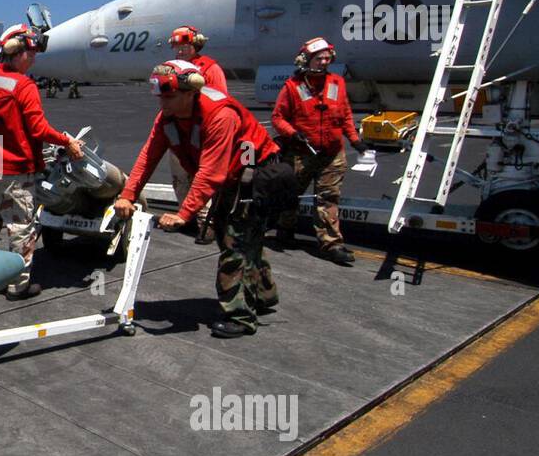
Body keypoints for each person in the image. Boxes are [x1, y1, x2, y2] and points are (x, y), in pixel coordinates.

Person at [112, 60, 293, 338]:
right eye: (160, 95)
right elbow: (148, 157)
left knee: (235, 244)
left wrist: (184, 214)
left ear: (190, 92)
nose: (162, 101)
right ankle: (265, 295)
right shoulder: (168, 117)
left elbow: (211, 172)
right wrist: (127, 194)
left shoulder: (221, 115)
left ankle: (241, 317)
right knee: (244, 239)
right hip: (230, 178)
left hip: (253, 179)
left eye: (169, 95)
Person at [0, 24, 85, 300]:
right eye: (31, 53)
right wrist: (67, 141)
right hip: (15, 170)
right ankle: (17, 285)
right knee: (21, 226)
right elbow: (38, 130)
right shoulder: (24, 86)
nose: (34, 58)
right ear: (16, 53)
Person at [271, 37, 366, 265]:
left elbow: (344, 114)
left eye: (327, 58)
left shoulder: (337, 83)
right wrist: (292, 133)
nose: (324, 62)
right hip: (301, 153)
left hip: (331, 154)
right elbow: (278, 117)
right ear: (306, 60)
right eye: (318, 58)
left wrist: (355, 139)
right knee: (290, 195)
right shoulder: (292, 87)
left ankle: (331, 244)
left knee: (328, 198)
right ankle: (284, 230)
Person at [165, 26, 226, 241]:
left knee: (202, 177)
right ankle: (186, 217)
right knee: (179, 177)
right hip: (176, 130)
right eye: (177, 46)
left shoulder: (210, 68)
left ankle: (205, 223)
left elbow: (220, 100)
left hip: (201, 131)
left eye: (185, 46)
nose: (180, 50)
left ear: (196, 44)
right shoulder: (171, 69)